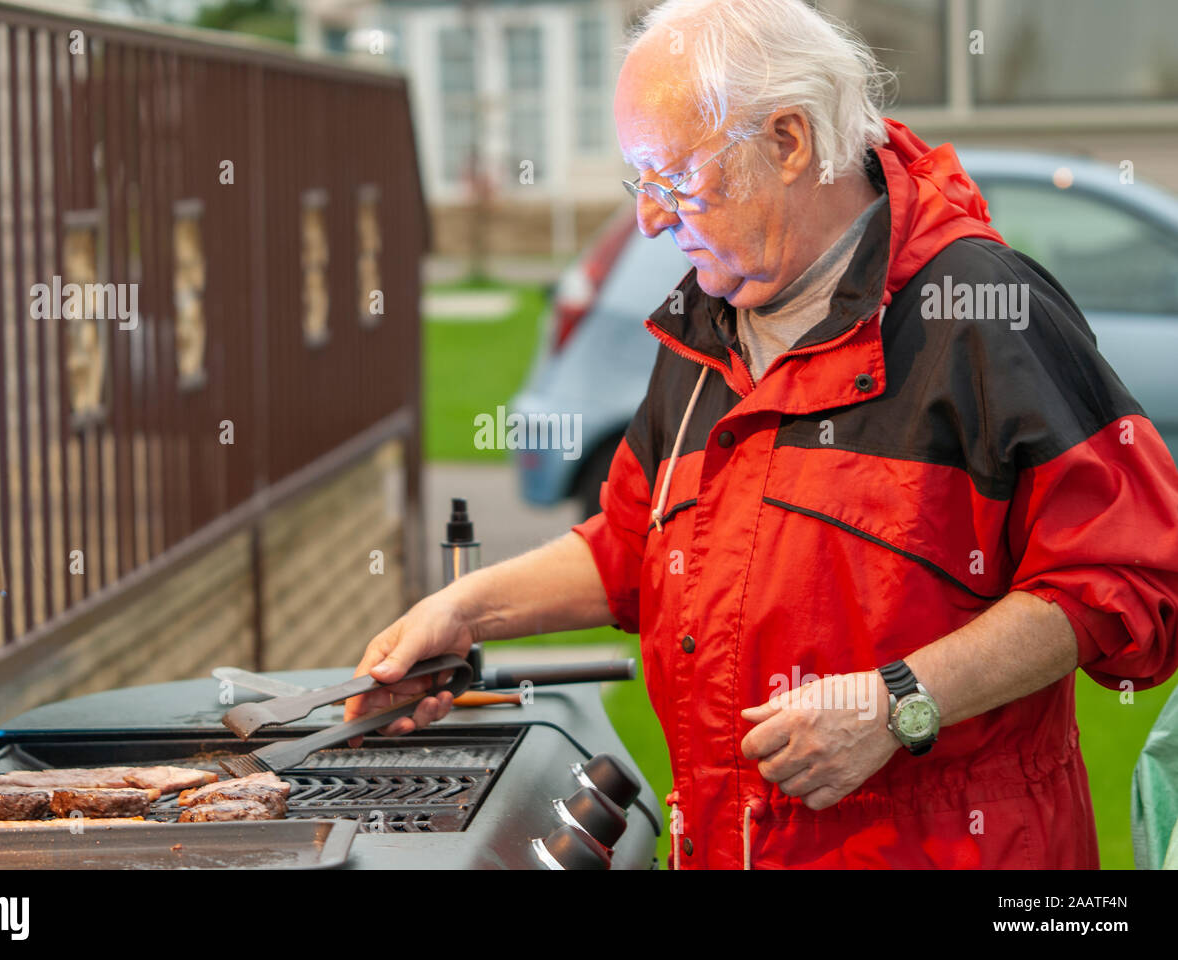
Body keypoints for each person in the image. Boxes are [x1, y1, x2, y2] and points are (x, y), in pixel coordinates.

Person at [346, 0, 1178, 868]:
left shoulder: (978, 314)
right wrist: (463, 610)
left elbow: (1127, 575)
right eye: (641, 186)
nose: (651, 223)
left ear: (788, 142)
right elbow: (636, 546)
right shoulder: (713, 328)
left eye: (672, 181)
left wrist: (901, 704)